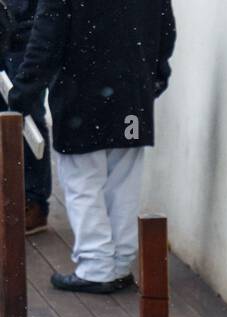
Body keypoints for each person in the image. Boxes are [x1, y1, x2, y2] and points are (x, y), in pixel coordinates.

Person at [8, 0, 176, 293]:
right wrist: (155, 77)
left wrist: (23, 92)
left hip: (82, 98)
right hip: (132, 101)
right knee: (124, 178)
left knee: (82, 179)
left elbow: (46, 39)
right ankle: (120, 264)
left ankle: (96, 266)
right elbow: (165, 30)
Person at [0, 1, 52, 234]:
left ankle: (34, 202)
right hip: (10, 30)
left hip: (24, 37)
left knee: (28, 119)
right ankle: (9, 199)